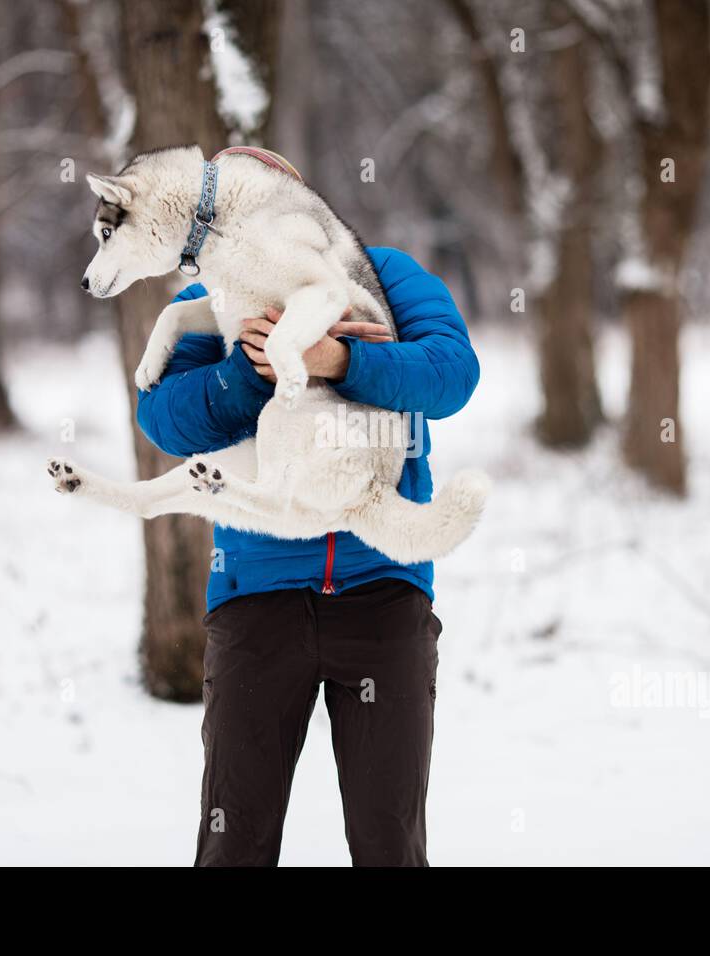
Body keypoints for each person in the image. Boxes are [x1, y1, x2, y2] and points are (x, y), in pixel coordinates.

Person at [137, 195, 479, 868]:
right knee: (234, 843)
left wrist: (338, 362)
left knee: (390, 844)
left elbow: (452, 374)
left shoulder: (386, 276)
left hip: (384, 592)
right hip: (255, 599)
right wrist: (250, 369)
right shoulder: (222, 296)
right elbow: (165, 420)